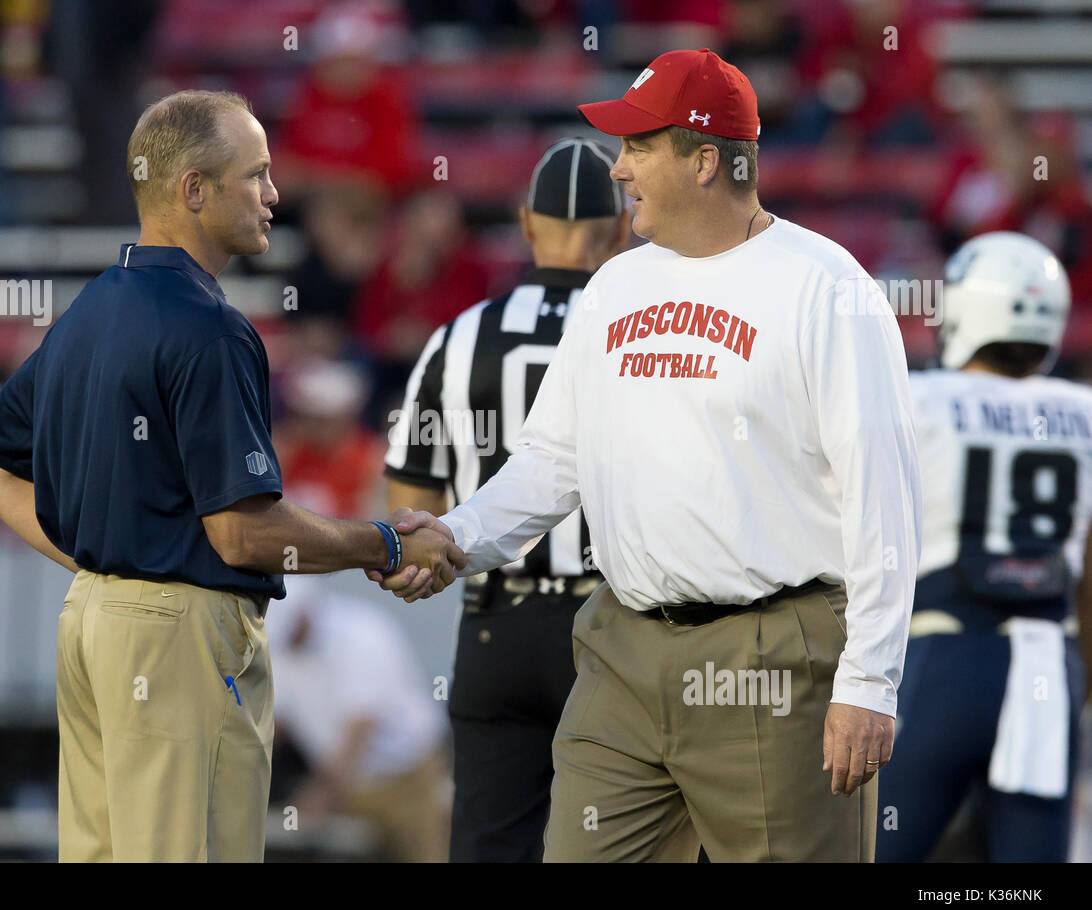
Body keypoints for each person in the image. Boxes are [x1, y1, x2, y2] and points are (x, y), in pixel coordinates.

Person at [374, 49, 922, 862]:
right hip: (623, 648)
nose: (618, 169)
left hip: (770, 654)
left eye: (639, 146)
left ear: (706, 162)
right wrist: (458, 535)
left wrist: (870, 679)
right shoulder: (615, 286)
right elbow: (551, 460)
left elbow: (884, 498)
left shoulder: (826, 287)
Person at [0, 90, 463, 863]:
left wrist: (105, 563)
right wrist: (386, 544)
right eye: (255, 174)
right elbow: (241, 531)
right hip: (174, 634)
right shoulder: (210, 325)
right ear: (194, 189)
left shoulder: (88, 311)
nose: (273, 193)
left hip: (94, 618)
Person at [384, 137, 630, 861]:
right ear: (622, 227)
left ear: (526, 222)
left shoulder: (456, 338)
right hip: (615, 628)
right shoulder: (642, 335)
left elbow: (411, 512)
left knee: (491, 844)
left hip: (497, 625)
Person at [877, 232, 1089, 862]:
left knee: (876, 850)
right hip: (1049, 666)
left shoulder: (919, 399)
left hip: (945, 658)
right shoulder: (1082, 410)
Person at [266, 576, 450, 862]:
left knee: (428, 855)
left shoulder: (362, 633)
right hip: (352, 784)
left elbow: (361, 728)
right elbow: (279, 723)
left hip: (410, 775)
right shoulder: (284, 647)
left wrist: (322, 793)